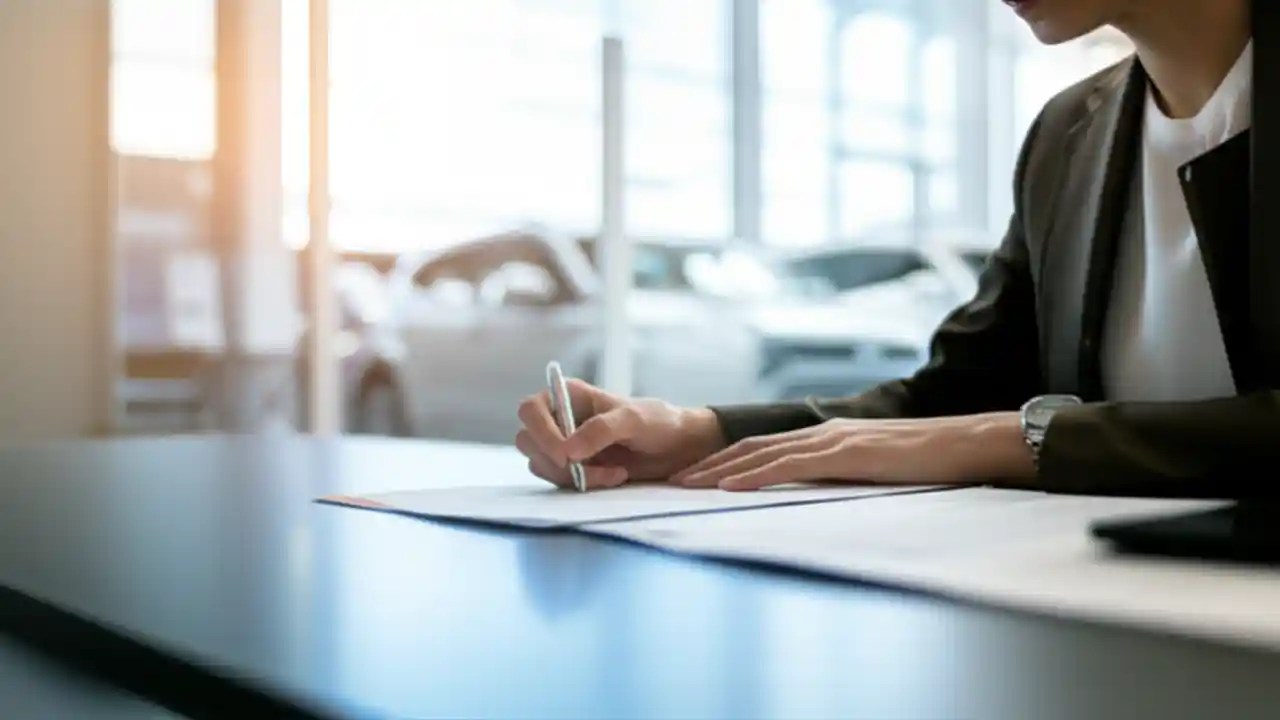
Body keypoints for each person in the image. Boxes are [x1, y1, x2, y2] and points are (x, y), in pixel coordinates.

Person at [517, 0, 1271, 497]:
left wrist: (1023, 438)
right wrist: (695, 434)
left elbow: (981, 430)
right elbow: (954, 400)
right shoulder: (1068, 135)